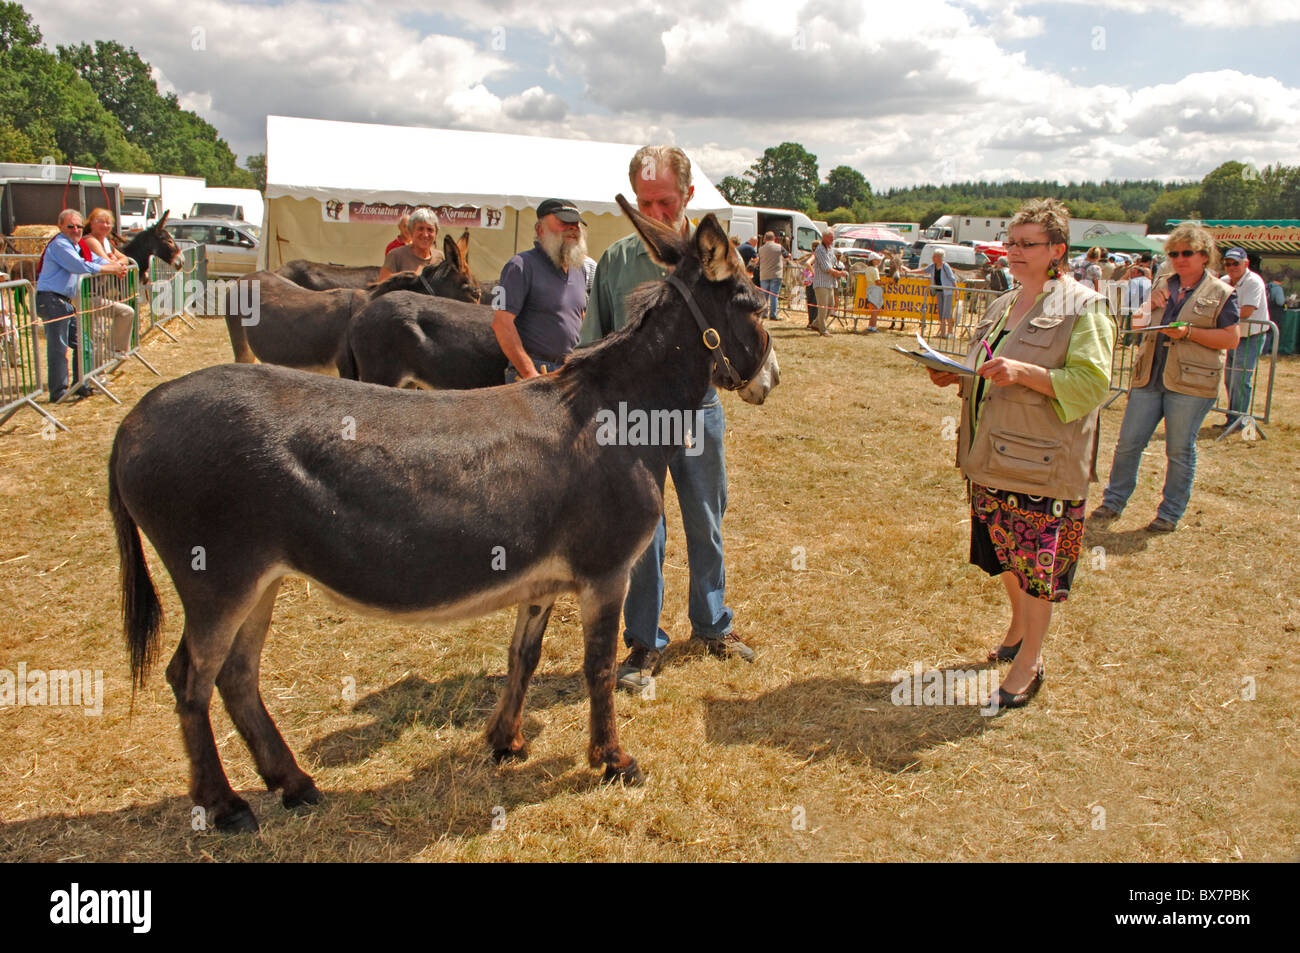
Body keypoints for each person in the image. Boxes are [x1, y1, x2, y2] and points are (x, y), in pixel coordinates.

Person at [927, 198, 1115, 710]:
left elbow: (1095, 382)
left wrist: (1024, 373)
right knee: (1004, 552)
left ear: (1058, 249)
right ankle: (1017, 631)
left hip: (1043, 465)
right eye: (1010, 242)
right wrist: (954, 372)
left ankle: (1030, 663)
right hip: (991, 455)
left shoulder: (1084, 306)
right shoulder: (1003, 303)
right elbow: (983, 364)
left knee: (1037, 567)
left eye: (1026, 244)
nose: (1013, 251)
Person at [578, 144, 754, 692]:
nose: (655, 213)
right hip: (634, 421)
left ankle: (712, 624)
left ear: (689, 196)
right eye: (645, 202)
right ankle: (644, 641)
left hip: (699, 412)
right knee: (642, 534)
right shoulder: (615, 261)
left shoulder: (719, 259)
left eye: (665, 201)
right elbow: (593, 342)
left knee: (706, 519)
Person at [1091, 223, 1240, 533]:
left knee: (1179, 449)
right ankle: (1113, 501)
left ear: (1204, 255)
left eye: (1187, 253)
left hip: (1192, 383)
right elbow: (1136, 324)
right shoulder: (1160, 283)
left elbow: (1230, 338)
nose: (1180, 258)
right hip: (1150, 376)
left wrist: (1189, 332)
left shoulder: (1221, 292)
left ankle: (1169, 514)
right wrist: (1148, 306)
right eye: (1174, 253)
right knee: (1128, 443)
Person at [35, 209, 126, 402]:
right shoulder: (60, 244)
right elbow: (80, 266)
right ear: (60, 227)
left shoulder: (77, 246)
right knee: (58, 348)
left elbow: (94, 260)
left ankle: (80, 384)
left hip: (64, 302)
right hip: (51, 301)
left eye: (78, 226)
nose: (75, 229)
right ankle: (59, 392)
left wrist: (116, 265)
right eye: (70, 226)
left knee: (84, 342)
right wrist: (112, 268)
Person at [493, 198, 588, 382]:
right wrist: (530, 375)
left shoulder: (580, 269)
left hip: (570, 372)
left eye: (575, 224)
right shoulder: (519, 266)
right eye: (564, 222)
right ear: (540, 229)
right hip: (534, 372)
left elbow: (581, 317)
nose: (572, 228)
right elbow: (501, 324)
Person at [1219, 248, 1268, 427]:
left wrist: (1221, 315)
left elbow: (1247, 311)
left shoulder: (1253, 281)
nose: (1231, 267)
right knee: (1230, 378)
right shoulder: (1224, 281)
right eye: (1228, 264)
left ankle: (1239, 420)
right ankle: (1232, 418)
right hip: (1233, 335)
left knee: (1240, 380)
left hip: (1251, 337)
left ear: (1246, 264)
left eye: (1235, 263)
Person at [80, 208, 136, 356]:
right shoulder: (89, 240)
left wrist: (116, 261)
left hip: (97, 293)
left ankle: (113, 352)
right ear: (91, 223)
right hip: (85, 293)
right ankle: (97, 373)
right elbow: (106, 262)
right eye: (101, 222)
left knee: (125, 313)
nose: (105, 225)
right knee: (96, 334)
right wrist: (114, 263)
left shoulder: (105, 242)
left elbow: (125, 258)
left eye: (108, 222)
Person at [379, 207, 442, 279]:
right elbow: (382, 287)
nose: (425, 235)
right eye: (420, 229)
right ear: (411, 231)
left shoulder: (439, 257)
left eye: (430, 229)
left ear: (436, 233)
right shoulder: (395, 256)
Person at [906, 249, 957, 337]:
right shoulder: (932, 266)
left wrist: (957, 292)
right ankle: (943, 332)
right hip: (938, 292)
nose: (933, 258)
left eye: (935, 256)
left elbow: (952, 279)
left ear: (939, 257)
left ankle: (950, 332)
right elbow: (923, 271)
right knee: (941, 312)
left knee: (947, 312)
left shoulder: (945, 266)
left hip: (947, 292)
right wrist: (910, 271)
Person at [810, 229, 846, 337]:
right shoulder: (820, 249)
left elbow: (834, 264)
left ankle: (816, 324)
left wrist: (839, 270)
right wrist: (839, 273)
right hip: (821, 283)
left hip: (830, 283)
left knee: (830, 306)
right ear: (824, 237)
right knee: (823, 307)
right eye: (831, 237)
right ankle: (823, 330)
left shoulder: (830, 250)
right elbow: (826, 267)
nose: (833, 239)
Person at [756, 231, 786, 320]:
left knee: (764, 296)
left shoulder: (761, 249)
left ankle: (764, 313)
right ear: (774, 238)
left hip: (764, 274)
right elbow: (787, 255)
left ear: (765, 239)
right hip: (776, 274)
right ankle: (773, 314)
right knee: (774, 295)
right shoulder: (779, 247)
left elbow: (758, 260)